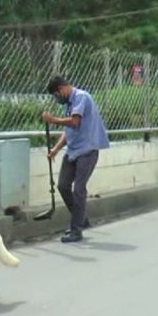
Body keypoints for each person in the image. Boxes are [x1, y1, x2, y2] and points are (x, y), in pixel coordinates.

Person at [42, 75, 110, 243]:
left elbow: (74, 122)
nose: (57, 99)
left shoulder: (81, 97)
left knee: (79, 189)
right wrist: (56, 149)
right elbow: (69, 131)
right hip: (73, 151)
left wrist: (54, 120)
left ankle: (76, 230)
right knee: (63, 185)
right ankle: (81, 219)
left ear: (62, 89)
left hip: (87, 150)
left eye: (56, 95)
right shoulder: (69, 104)